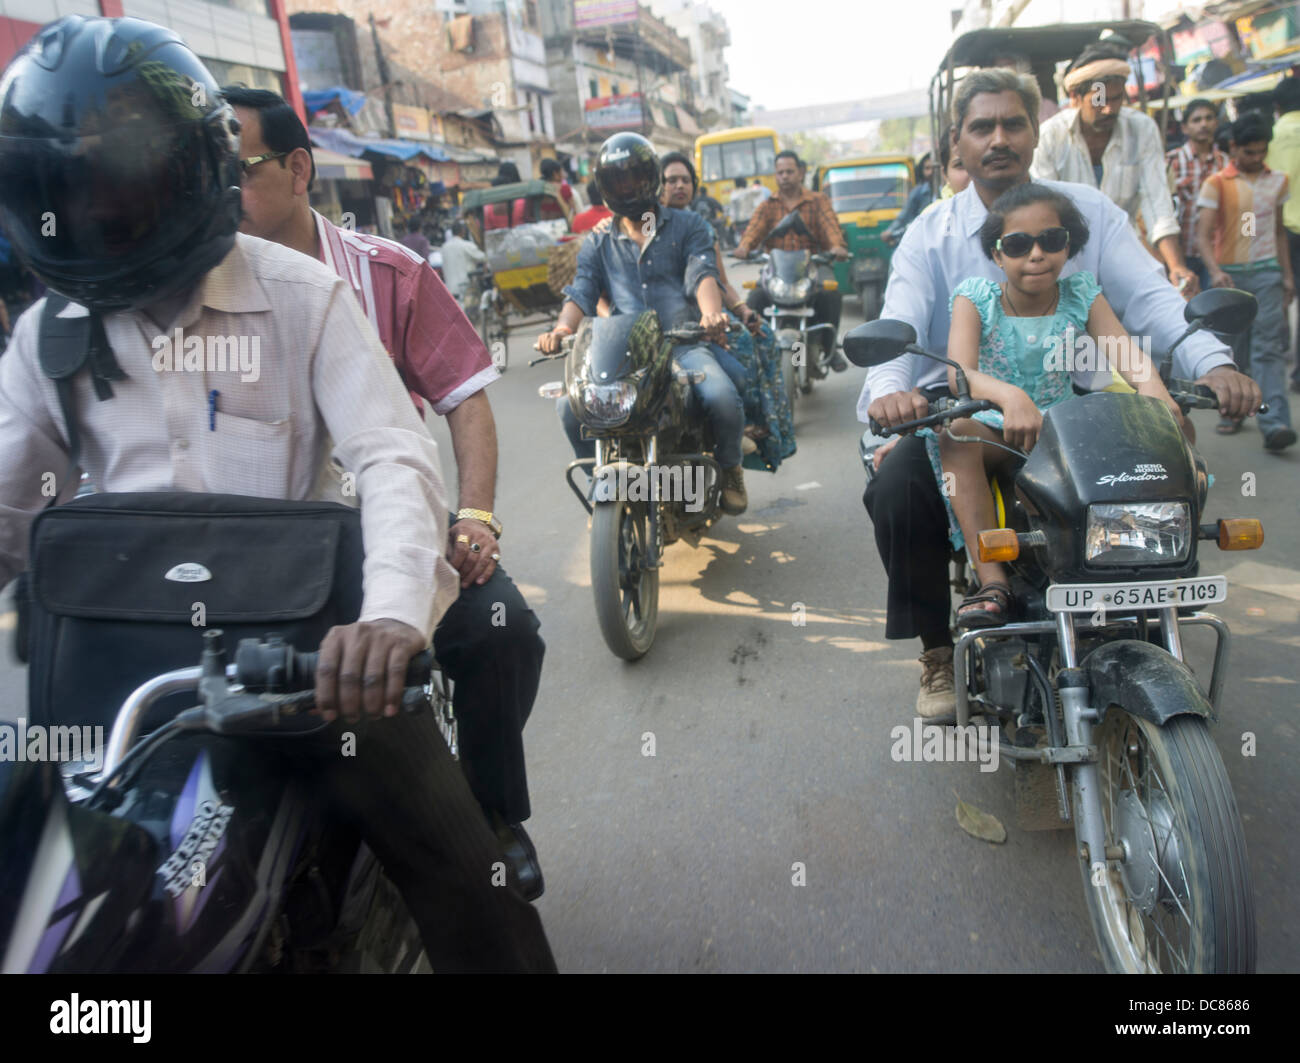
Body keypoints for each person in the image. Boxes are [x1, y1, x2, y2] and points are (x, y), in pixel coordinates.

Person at [0, 17, 555, 973]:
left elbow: (392, 459)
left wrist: (386, 622)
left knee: (469, 882)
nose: (107, 215)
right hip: (114, 679)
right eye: (79, 196)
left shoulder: (306, 298)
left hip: (307, 666)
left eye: (129, 185)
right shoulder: (48, 340)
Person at [857, 67, 1261, 720]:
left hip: (1081, 408)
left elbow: (1151, 302)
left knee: (1172, 464)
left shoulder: (1089, 213)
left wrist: (1207, 367)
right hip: (962, 409)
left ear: (1034, 133)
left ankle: (1152, 613)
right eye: (980, 126)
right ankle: (938, 647)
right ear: (955, 142)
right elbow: (901, 332)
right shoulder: (930, 237)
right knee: (900, 483)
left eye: (1013, 122)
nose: (998, 138)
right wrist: (888, 400)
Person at [225, 86, 550, 894]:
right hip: (257, 552)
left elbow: (465, 396)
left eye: (237, 171)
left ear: (299, 169)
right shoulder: (187, 293)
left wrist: (474, 517)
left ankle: (492, 816)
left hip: (388, 526)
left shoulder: (387, 276)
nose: (215, 196)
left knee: (502, 630)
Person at [936, 184, 1182, 623]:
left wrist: (1158, 398)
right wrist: (1011, 396)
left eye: (1051, 240)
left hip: (1064, 426)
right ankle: (993, 579)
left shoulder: (1081, 292)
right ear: (997, 255)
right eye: (1017, 244)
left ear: (1069, 245)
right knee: (956, 437)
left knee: (1175, 440)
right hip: (995, 424)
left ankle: (1156, 564)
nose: (1035, 254)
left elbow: (1128, 357)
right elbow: (960, 373)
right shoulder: (974, 297)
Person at [536, 132, 749, 515]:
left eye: (634, 178)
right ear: (605, 188)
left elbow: (703, 274)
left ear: (651, 179)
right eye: (617, 181)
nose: (627, 188)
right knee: (569, 407)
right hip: (623, 354)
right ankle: (599, 483)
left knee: (721, 398)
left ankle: (730, 468)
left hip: (683, 343)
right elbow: (581, 291)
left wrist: (711, 314)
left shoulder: (689, 226)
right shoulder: (598, 241)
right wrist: (562, 330)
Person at [1031, 42, 1198, 297]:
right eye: (1099, 100)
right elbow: (1044, 211)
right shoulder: (1050, 136)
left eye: (1117, 98)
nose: (1109, 109)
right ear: (1076, 97)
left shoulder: (1141, 128)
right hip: (1066, 260)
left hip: (1124, 252)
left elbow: (1157, 203)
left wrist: (1177, 267)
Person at [1195, 111, 1297, 450]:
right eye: (1249, 152)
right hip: (1230, 277)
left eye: (1261, 151)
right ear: (1234, 147)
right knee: (1231, 350)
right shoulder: (1217, 183)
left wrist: (1286, 277)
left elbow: (1279, 232)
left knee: (1268, 348)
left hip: (1267, 273)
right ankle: (1232, 410)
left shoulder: (1278, 181)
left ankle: (1275, 421)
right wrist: (1215, 270)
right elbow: (1204, 235)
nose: (1255, 158)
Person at [735, 149, 850, 371]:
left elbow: (830, 227)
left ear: (801, 173)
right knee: (755, 299)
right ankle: (755, 351)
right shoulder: (768, 205)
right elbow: (753, 230)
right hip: (777, 269)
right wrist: (744, 247)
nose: (784, 176)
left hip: (813, 265)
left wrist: (837, 247)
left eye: (789, 171)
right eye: (780, 172)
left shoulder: (818, 201)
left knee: (831, 294)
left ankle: (829, 347)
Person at [1167, 98, 1227, 294]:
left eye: (1209, 118)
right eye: (1197, 119)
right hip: (1182, 255)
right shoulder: (1171, 162)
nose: (1204, 124)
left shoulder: (1225, 163)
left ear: (1216, 123)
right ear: (1185, 127)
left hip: (1218, 254)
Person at [1266, 75, 1300, 394]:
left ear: (1277, 106)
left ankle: (1274, 357)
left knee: (1278, 296)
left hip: (1279, 230)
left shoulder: (1271, 136)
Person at [883, 153, 936, 244]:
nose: (931, 172)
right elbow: (905, 215)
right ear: (921, 171)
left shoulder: (949, 189)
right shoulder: (918, 192)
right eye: (927, 168)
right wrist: (890, 231)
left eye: (934, 168)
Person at [438, 221, 488, 305]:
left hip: (450, 291)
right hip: (466, 290)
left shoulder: (444, 248)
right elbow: (483, 257)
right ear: (463, 231)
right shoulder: (466, 245)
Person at [538, 157, 574, 223]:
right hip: (562, 226)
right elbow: (572, 212)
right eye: (562, 170)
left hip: (542, 227)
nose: (563, 173)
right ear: (555, 173)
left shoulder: (538, 189)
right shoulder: (565, 189)